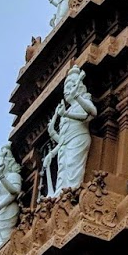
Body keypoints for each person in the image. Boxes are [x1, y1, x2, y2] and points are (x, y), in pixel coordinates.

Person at [45, 66, 96, 195]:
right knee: (63, 172)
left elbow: (92, 113)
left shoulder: (82, 102)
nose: (66, 91)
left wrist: (77, 97)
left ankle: (71, 195)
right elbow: (62, 140)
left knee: (73, 172)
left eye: (70, 87)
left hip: (78, 140)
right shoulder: (66, 112)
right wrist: (52, 133)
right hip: (65, 146)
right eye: (65, 89)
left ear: (78, 86)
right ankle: (62, 197)